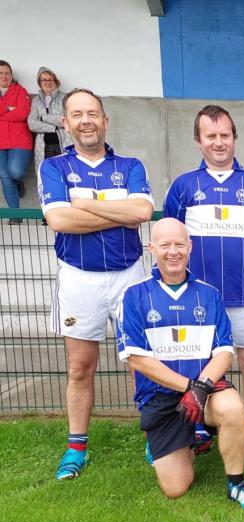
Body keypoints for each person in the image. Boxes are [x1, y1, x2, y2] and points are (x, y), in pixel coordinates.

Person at [38, 88, 154, 480]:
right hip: (79, 277)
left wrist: (83, 204)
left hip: (128, 274)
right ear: (66, 123)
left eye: (93, 113)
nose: (86, 120)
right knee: (79, 366)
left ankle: (155, 438)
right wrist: (118, 214)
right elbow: (60, 221)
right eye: (77, 114)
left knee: (141, 363)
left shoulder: (130, 164)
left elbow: (142, 211)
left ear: (105, 120)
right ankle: (76, 448)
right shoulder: (54, 168)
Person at [116, 218, 244, 511]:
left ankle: (237, 484)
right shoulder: (133, 296)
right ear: (151, 249)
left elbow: (223, 352)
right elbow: (137, 358)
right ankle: (190, 441)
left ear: (190, 247)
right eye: (165, 245)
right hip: (163, 397)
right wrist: (188, 387)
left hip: (206, 391)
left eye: (179, 244)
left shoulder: (209, 294)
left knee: (234, 408)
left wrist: (202, 387)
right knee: (176, 488)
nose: (173, 252)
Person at [163, 105, 244, 443]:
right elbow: (169, 238)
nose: (219, 143)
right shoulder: (183, 186)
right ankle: (198, 428)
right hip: (197, 298)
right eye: (211, 136)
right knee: (199, 370)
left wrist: (242, 259)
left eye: (225, 135)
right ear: (198, 141)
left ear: (234, 138)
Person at [0, 60, 33, 222]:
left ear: (11, 75)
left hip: (20, 141)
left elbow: (22, 114)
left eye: (7, 73)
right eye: (0, 73)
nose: (4, 76)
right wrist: (7, 108)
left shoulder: (20, 91)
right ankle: (15, 216)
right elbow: (15, 112)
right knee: (5, 177)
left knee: (14, 172)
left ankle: (19, 181)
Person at [28, 67, 72, 173]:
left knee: (65, 173)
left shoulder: (64, 97)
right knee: (47, 175)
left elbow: (66, 119)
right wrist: (54, 127)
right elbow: (32, 123)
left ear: (55, 81)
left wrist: (43, 117)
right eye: (44, 80)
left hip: (63, 142)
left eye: (50, 79)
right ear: (39, 83)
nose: (47, 82)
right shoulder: (36, 100)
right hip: (43, 146)